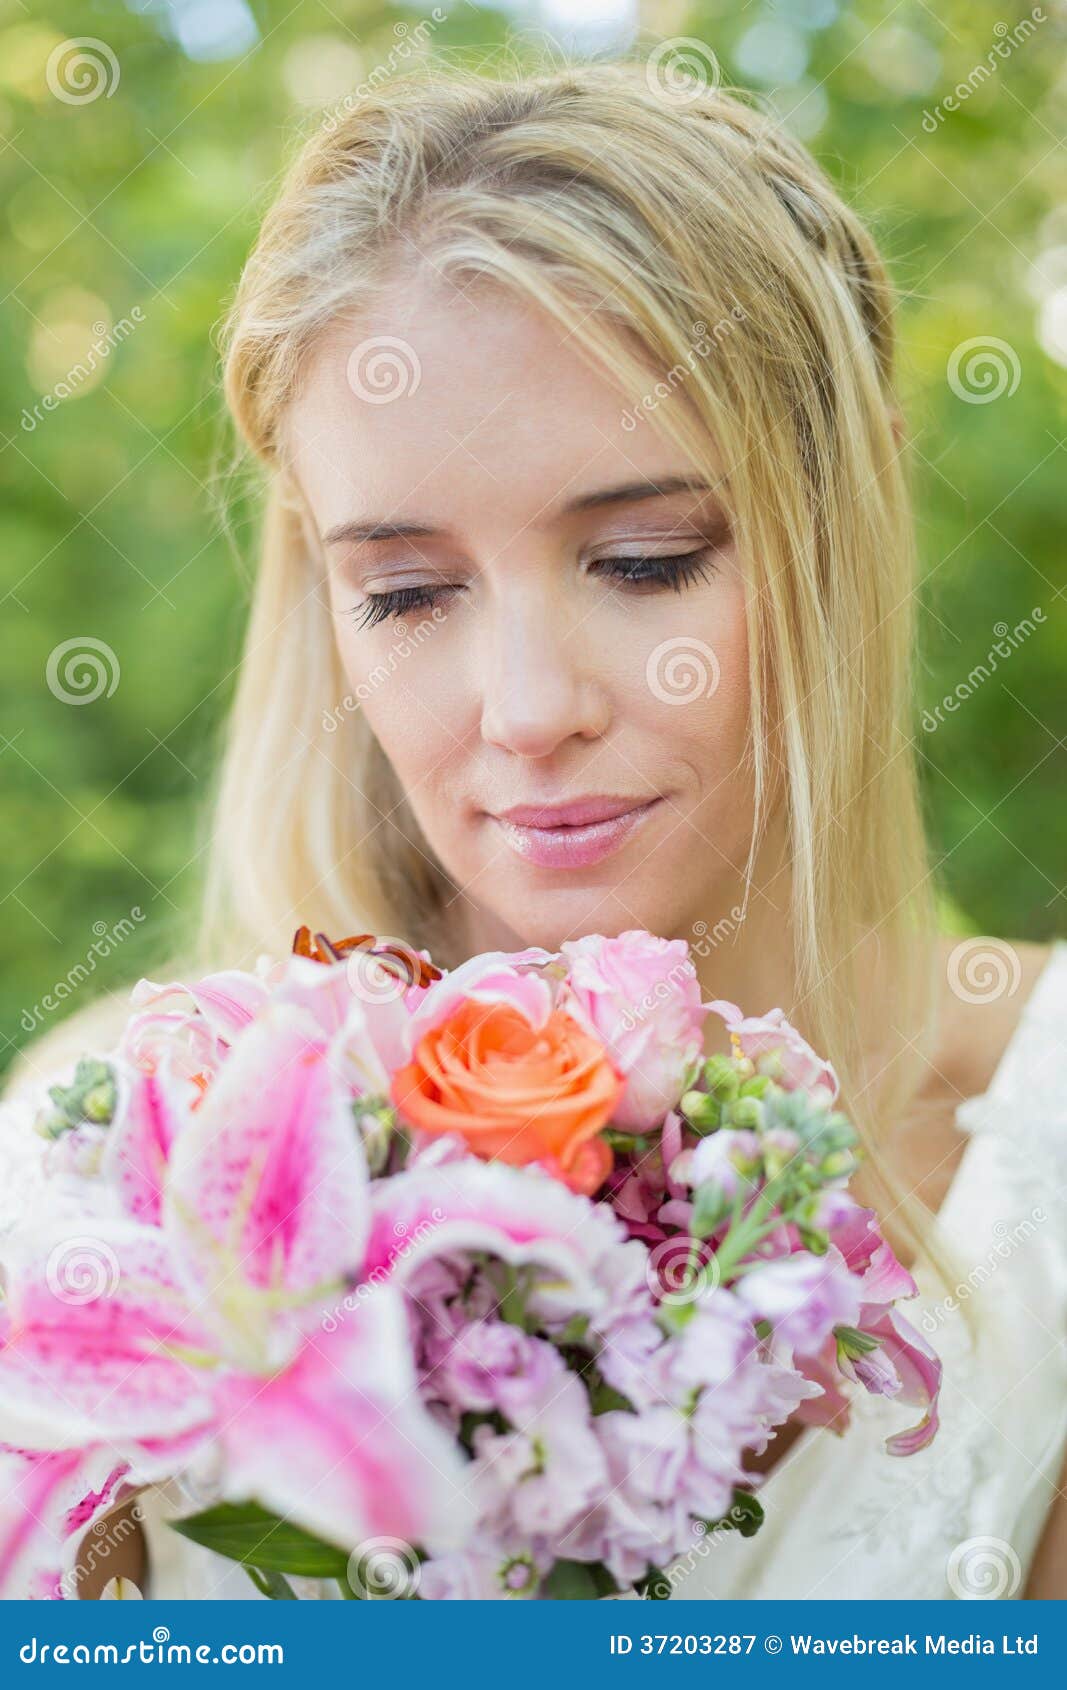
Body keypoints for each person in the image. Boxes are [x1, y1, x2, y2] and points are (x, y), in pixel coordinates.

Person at [2, 58, 1063, 1601]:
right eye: (410, 592)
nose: (523, 707)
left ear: (858, 520)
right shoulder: (98, 1158)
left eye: (644, 559)